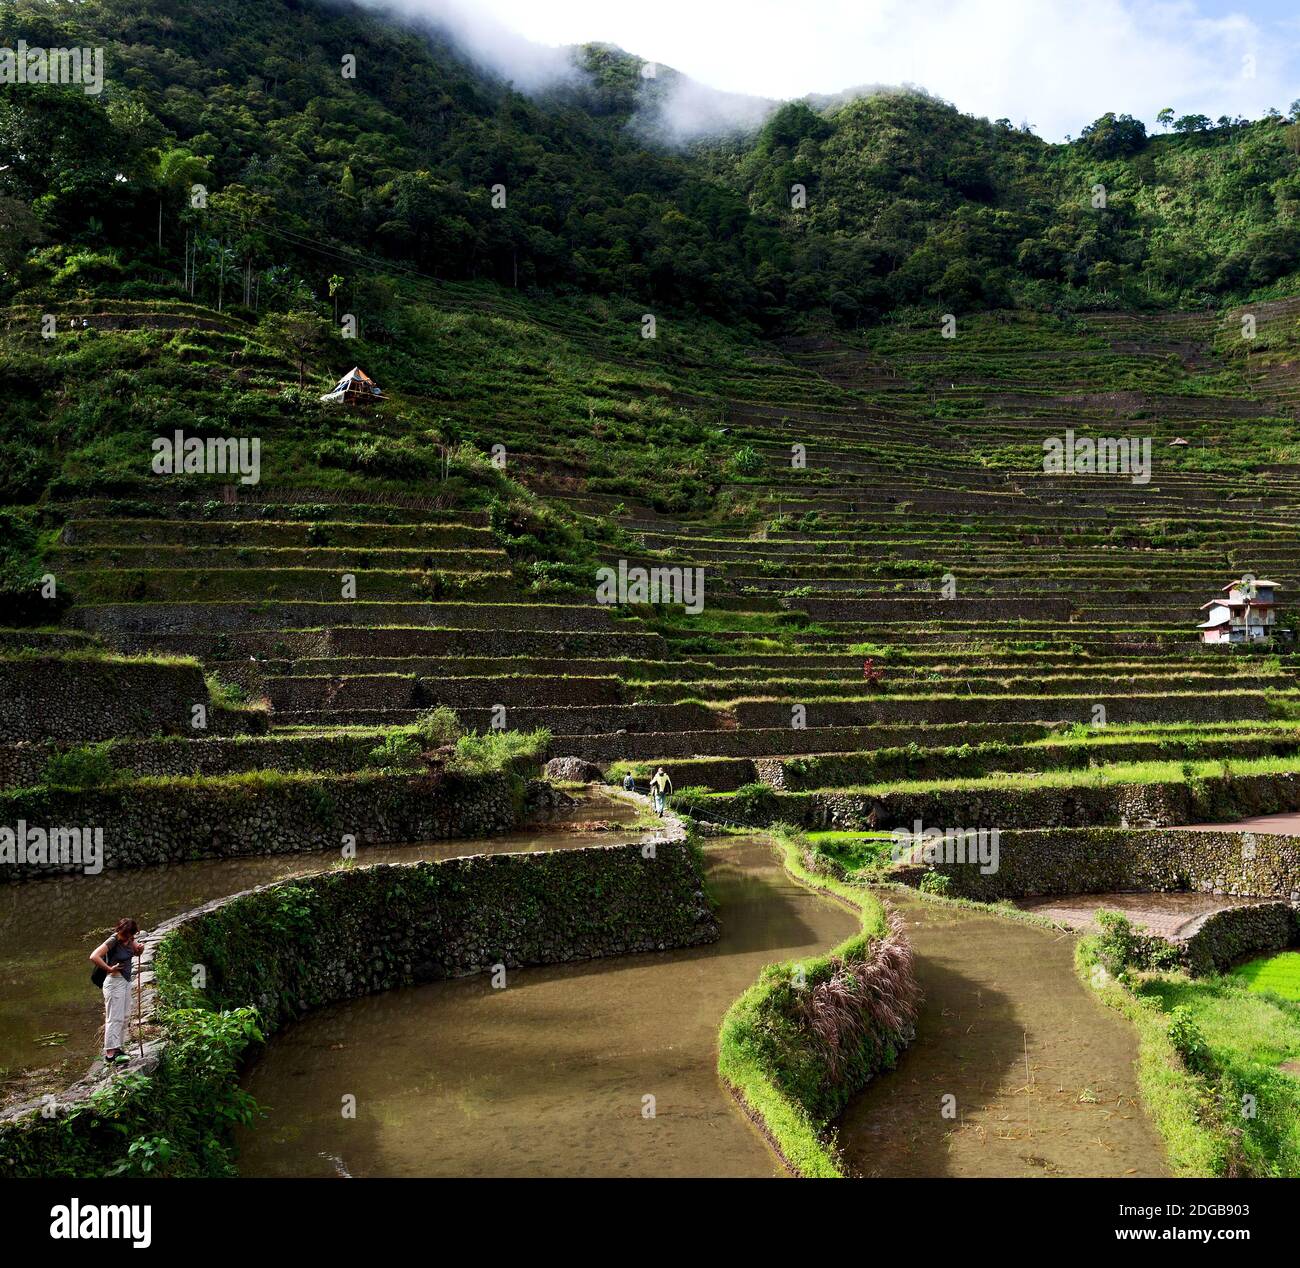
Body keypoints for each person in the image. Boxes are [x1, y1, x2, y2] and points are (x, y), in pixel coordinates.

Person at [90, 918, 144, 1064]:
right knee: (114, 1017)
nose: (127, 937)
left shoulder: (129, 939)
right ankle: (110, 1053)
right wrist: (108, 968)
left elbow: (136, 952)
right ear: (119, 930)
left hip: (125, 981)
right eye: (125, 934)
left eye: (129, 935)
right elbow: (94, 956)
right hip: (114, 982)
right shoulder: (113, 940)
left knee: (125, 1015)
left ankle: (118, 1048)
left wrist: (140, 948)